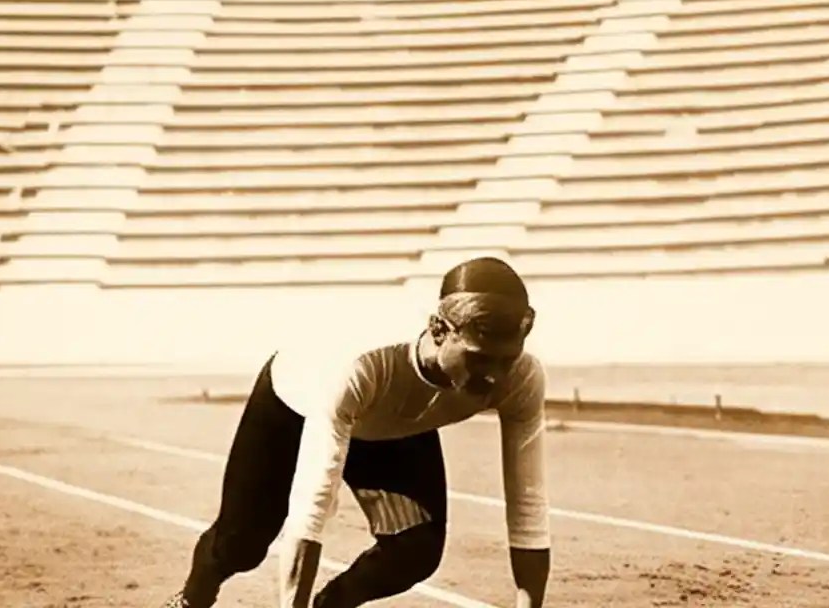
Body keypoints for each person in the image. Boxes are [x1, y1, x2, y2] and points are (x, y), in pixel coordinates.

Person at [158, 256, 551, 608]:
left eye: (506, 359)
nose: (494, 375)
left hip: (395, 422)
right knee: (241, 545)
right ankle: (193, 596)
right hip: (295, 403)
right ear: (437, 329)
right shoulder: (363, 366)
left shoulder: (521, 378)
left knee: (415, 549)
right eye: (479, 358)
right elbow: (313, 507)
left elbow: (528, 504)